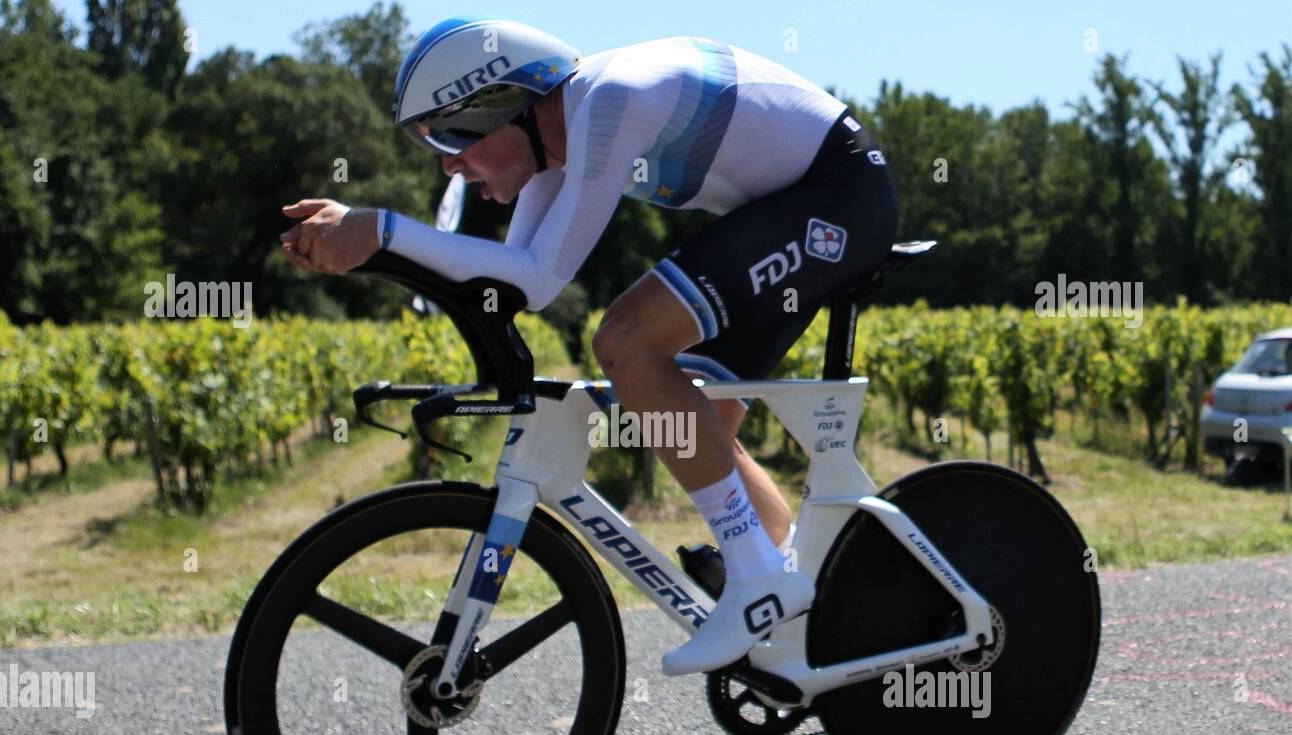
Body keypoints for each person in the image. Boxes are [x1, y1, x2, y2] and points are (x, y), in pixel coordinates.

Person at [278, 18, 899, 677]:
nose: (448, 164)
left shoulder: (608, 102)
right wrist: (375, 248)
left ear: (509, 106)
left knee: (627, 342)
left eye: (453, 135)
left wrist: (382, 230)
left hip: (839, 195)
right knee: (696, 422)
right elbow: (508, 274)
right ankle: (804, 609)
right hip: (792, 206)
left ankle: (755, 581)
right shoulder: (557, 144)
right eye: (432, 142)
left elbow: (542, 281)